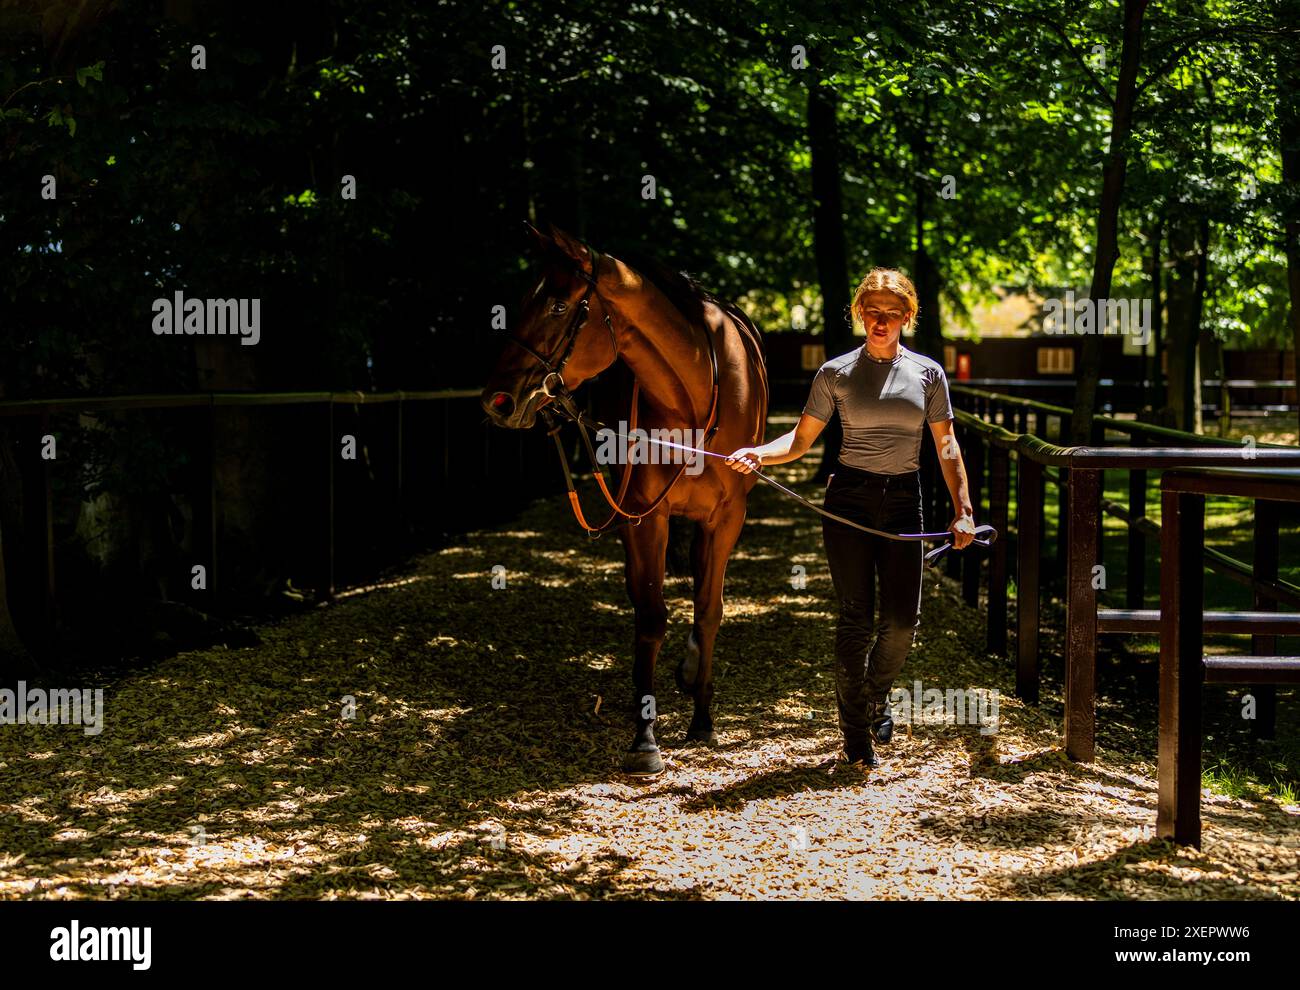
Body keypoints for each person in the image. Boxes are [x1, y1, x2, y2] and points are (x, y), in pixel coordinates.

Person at [724, 268, 976, 768]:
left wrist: (963, 510)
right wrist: (757, 452)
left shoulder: (928, 374)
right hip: (850, 502)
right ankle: (855, 733)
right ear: (860, 313)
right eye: (872, 312)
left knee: (903, 621)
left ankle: (875, 697)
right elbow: (799, 442)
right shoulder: (834, 373)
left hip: (905, 502)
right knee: (855, 619)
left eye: (892, 313)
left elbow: (946, 445)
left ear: (907, 316)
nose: (881, 322)